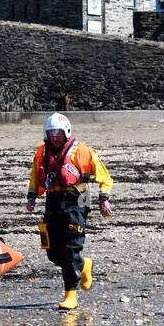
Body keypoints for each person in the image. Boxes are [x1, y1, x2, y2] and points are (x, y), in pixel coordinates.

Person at [26, 113, 114, 310]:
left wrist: (104, 198)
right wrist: (31, 197)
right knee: (52, 252)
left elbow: (105, 177)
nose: (54, 137)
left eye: (58, 133)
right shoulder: (41, 152)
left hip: (76, 201)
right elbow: (34, 177)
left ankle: (70, 295)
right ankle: (84, 265)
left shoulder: (83, 151)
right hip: (53, 201)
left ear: (66, 132)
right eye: (51, 133)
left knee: (70, 248)